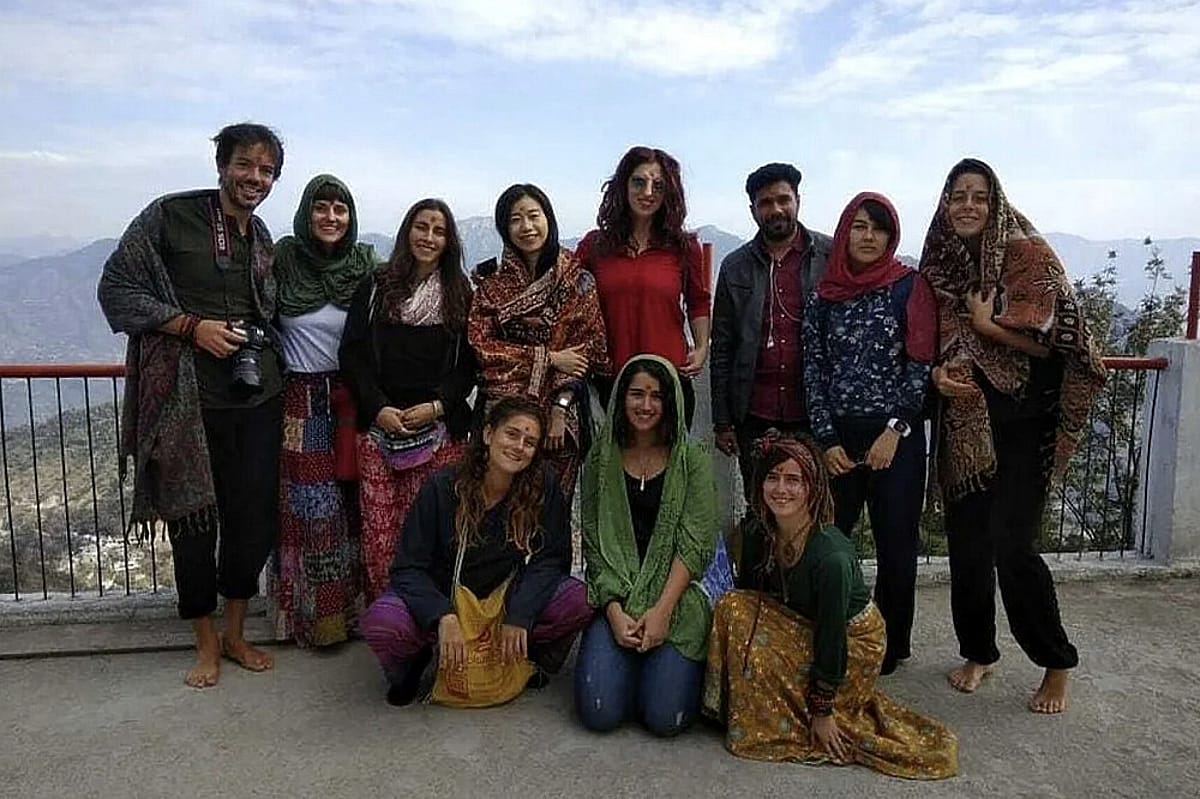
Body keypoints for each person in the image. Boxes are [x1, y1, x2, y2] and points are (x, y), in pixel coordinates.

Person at [97, 122, 286, 687]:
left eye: (266, 170)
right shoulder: (170, 216)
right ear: (222, 165)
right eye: (245, 165)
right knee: (194, 521)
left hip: (257, 396)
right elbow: (116, 290)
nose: (255, 178)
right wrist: (191, 327)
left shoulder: (261, 235)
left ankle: (235, 633)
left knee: (252, 521)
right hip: (186, 400)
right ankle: (205, 641)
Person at [920, 158, 1106, 713]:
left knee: (1013, 545)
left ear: (995, 202)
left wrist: (987, 327)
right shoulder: (939, 263)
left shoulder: (1029, 256)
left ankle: (1056, 661)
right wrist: (938, 375)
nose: (967, 206)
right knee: (968, 544)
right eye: (958, 196)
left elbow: (1061, 344)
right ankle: (979, 652)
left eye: (978, 196)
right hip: (964, 422)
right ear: (945, 203)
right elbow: (929, 340)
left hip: (1026, 422)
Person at [702, 433, 958, 779]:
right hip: (802, 620)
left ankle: (805, 715)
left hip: (852, 641)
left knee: (760, 645)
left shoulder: (831, 556)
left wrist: (822, 711)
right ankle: (745, 704)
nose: (781, 489)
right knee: (732, 607)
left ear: (813, 488)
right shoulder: (757, 532)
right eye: (773, 477)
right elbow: (752, 602)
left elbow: (833, 634)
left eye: (794, 480)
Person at [359, 397, 592, 706]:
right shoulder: (443, 486)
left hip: (504, 595)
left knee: (579, 599)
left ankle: (527, 658)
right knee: (383, 621)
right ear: (488, 434)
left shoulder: (541, 486)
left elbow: (551, 557)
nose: (518, 446)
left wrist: (521, 614)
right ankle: (411, 668)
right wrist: (441, 616)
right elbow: (408, 567)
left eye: (530, 442)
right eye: (511, 434)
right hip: (444, 594)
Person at [803, 192, 937, 675]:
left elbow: (920, 364)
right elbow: (813, 371)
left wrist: (894, 430)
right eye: (859, 226)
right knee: (829, 545)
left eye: (878, 228)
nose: (867, 236)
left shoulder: (908, 287)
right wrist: (827, 441)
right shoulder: (824, 296)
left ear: (890, 237)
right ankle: (830, 634)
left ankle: (889, 646)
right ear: (844, 233)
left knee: (896, 547)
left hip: (895, 441)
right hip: (839, 441)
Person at [338, 199, 476, 603]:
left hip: (440, 435)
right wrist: (379, 407)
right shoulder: (376, 287)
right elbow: (352, 354)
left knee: (434, 533)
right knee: (380, 534)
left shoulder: (460, 294)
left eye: (439, 230)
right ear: (407, 231)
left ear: (449, 241)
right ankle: (389, 619)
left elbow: (469, 364)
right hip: (379, 430)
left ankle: (432, 620)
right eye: (421, 227)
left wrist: (438, 406)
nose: (428, 237)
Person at [575, 355, 718, 737]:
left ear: (671, 402)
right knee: (600, 713)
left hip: (675, 601)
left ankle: (658, 672)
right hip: (617, 598)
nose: (646, 405)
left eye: (657, 396)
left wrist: (661, 612)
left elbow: (695, 545)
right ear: (621, 398)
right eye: (636, 394)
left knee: (664, 719)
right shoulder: (601, 458)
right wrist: (613, 612)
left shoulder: (693, 459)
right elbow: (594, 544)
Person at [268, 174, 377, 648]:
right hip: (302, 402)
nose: (331, 217)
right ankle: (313, 618)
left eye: (340, 208)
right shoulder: (283, 262)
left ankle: (359, 614)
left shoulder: (365, 265)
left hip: (354, 399)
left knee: (356, 506)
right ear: (306, 212)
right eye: (321, 207)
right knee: (312, 511)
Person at [468, 183, 610, 505]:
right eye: (515, 219)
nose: (526, 226)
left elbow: (588, 350)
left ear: (548, 219)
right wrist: (548, 358)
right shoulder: (490, 284)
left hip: (558, 421)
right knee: (496, 506)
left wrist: (560, 407)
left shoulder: (576, 279)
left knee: (550, 510)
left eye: (534, 216)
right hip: (500, 417)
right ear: (504, 228)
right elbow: (483, 348)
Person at [711, 162, 832, 500]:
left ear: (798, 201)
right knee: (762, 505)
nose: (776, 209)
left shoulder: (829, 256)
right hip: (754, 415)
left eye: (783, 199)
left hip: (816, 414)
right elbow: (722, 347)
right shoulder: (735, 266)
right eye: (765, 202)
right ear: (753, 210)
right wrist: (723, 421)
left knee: (815, 504)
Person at [575, 147, 711, 428]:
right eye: (639, 182)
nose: (648, 192)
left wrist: (700, 348)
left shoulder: (684, 247)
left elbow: (698, 301)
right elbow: (569, 300)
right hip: (611, 379)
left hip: (668, 379)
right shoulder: (594, 246)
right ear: (623, 185)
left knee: (670, 457)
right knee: (611, 456)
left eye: (658, 186)